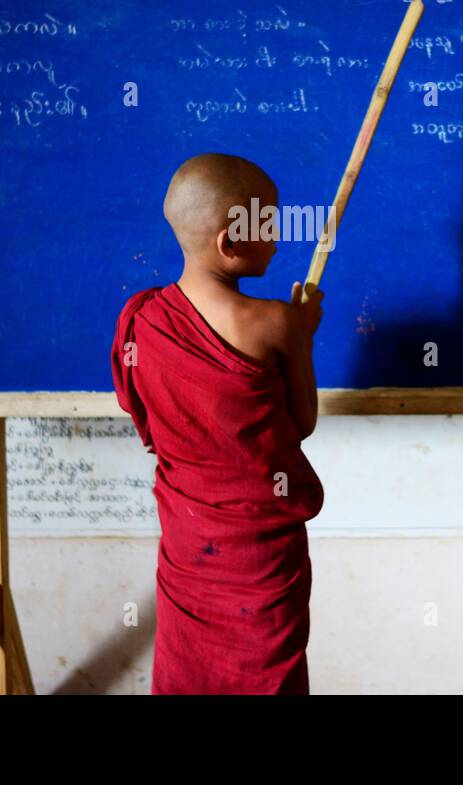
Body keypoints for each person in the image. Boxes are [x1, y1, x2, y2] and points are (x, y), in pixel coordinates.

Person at [111, 153, 326, 694]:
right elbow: (298, 424)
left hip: (190, 542)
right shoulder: (277, 322)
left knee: (192, 673)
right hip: (259, 550)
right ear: (230, 242)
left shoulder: (143, 319)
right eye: (269, 227)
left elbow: (152, 421)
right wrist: (305, 336)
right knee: (262, 672)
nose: (278, 240)